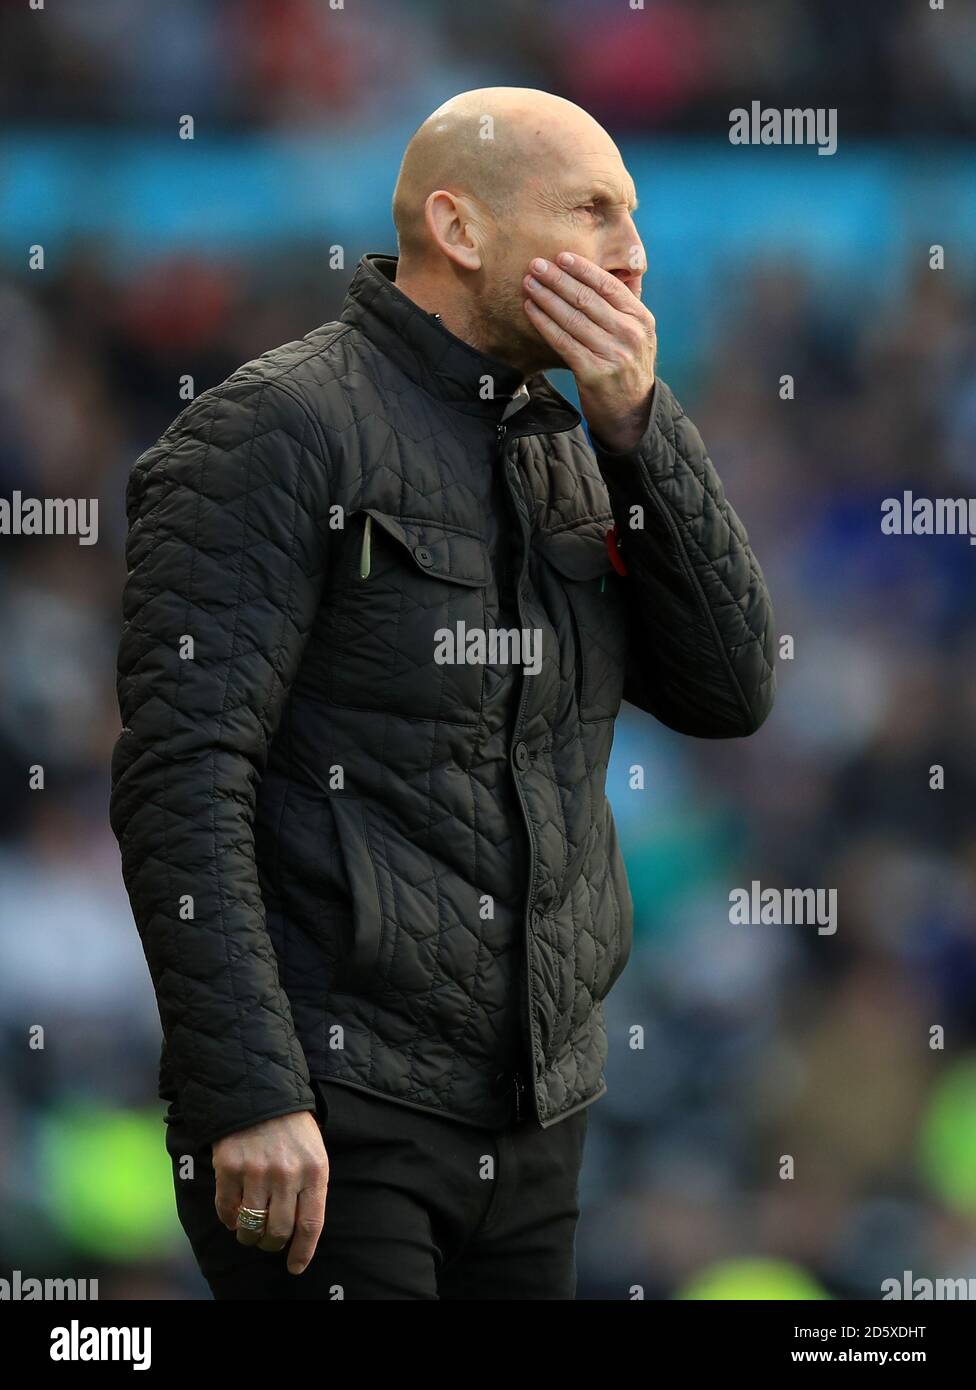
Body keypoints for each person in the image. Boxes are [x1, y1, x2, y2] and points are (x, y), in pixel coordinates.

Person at [109, 86, 776, 1300]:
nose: (634, 251)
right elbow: (181, 778)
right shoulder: (272, 431)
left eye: (634, 215)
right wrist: (248, 1089)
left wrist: (638, 429)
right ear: (461, 231)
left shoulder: (574, 448)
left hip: (534, 1114)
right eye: (592, 210)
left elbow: (731, 692)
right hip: (329, 1112)